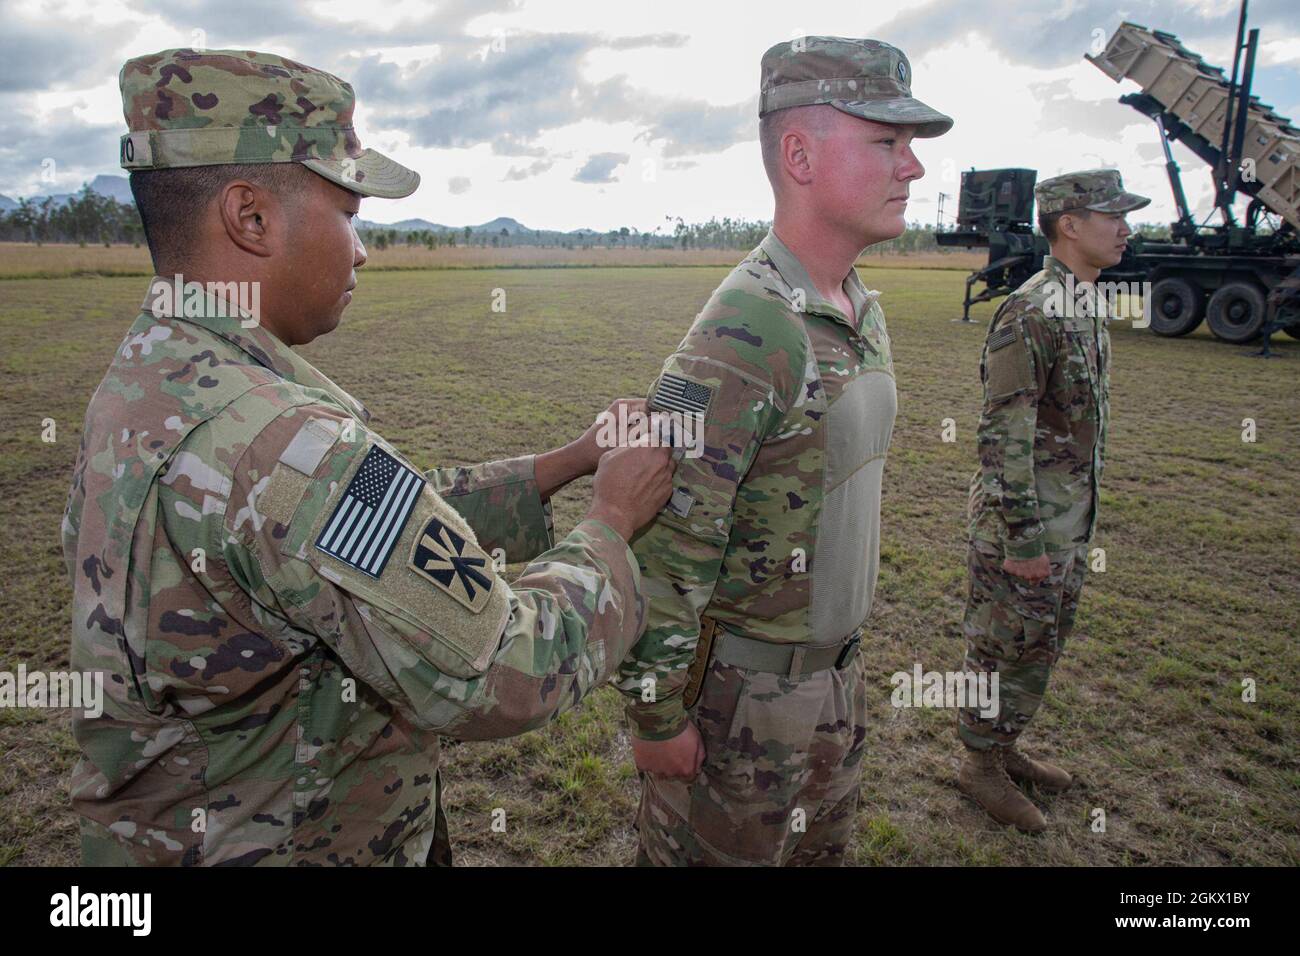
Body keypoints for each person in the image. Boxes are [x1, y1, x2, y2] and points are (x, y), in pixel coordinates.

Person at [62, 47, 673, 866]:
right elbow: (508, 667)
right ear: (251, 217)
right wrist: (612, 520)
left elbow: (376, 524)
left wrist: (559, 465)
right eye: (349, 212)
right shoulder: (286, 446)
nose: (362, 249)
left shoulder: (150, 380)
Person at [615, 36, 952, 866]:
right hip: (743, 709)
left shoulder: (856, 307)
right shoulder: (746, 330)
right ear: (798, 154)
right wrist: (656, 715)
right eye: (887, 141)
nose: (911, 167)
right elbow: (666, 542)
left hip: (834, 684)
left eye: (909, 147)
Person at [956, 169, 1149, 832]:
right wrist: (1025, 541)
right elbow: (1003, 432)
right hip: (1025, 527)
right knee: (1002, 646)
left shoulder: (1085, 301)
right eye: (1112, 216)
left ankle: (1003, 748)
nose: (1126, 228)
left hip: (1065, 521)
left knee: (1040, 646)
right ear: (1069, 224)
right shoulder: (1033, 309)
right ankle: (977, 765)